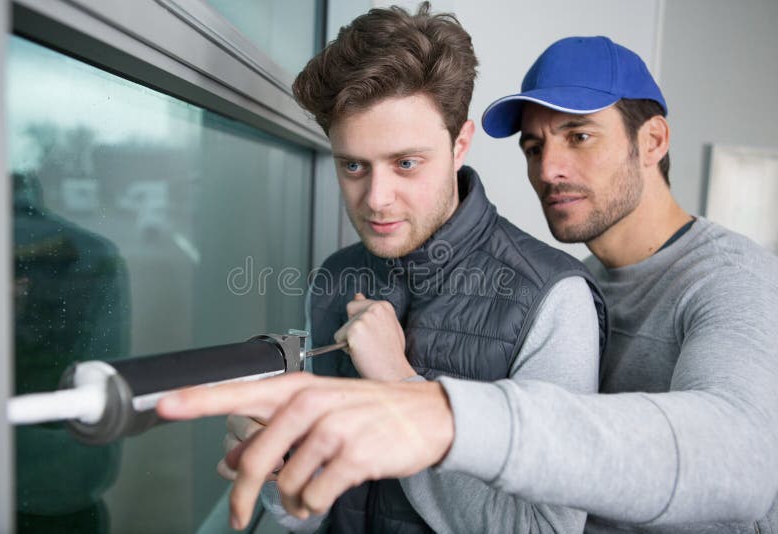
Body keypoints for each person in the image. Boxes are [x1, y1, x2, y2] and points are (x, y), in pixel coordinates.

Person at [159, 30, 778, 534]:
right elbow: (314, 505)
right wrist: (280, 466)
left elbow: (743, 460)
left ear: (654, 141)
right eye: (534, 147)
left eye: (579, 137)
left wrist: (414, 398)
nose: (549, 169)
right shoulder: (591, 276)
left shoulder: (724, 279)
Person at [218, 5, 606, 534]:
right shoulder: (335, 277)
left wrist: (401, 387)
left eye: (405, 163)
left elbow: (543, 529)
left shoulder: (554, 300)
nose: (376, 199)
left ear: (459, 145)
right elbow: (303, 516)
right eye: (353, 165)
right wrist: (274, 466)